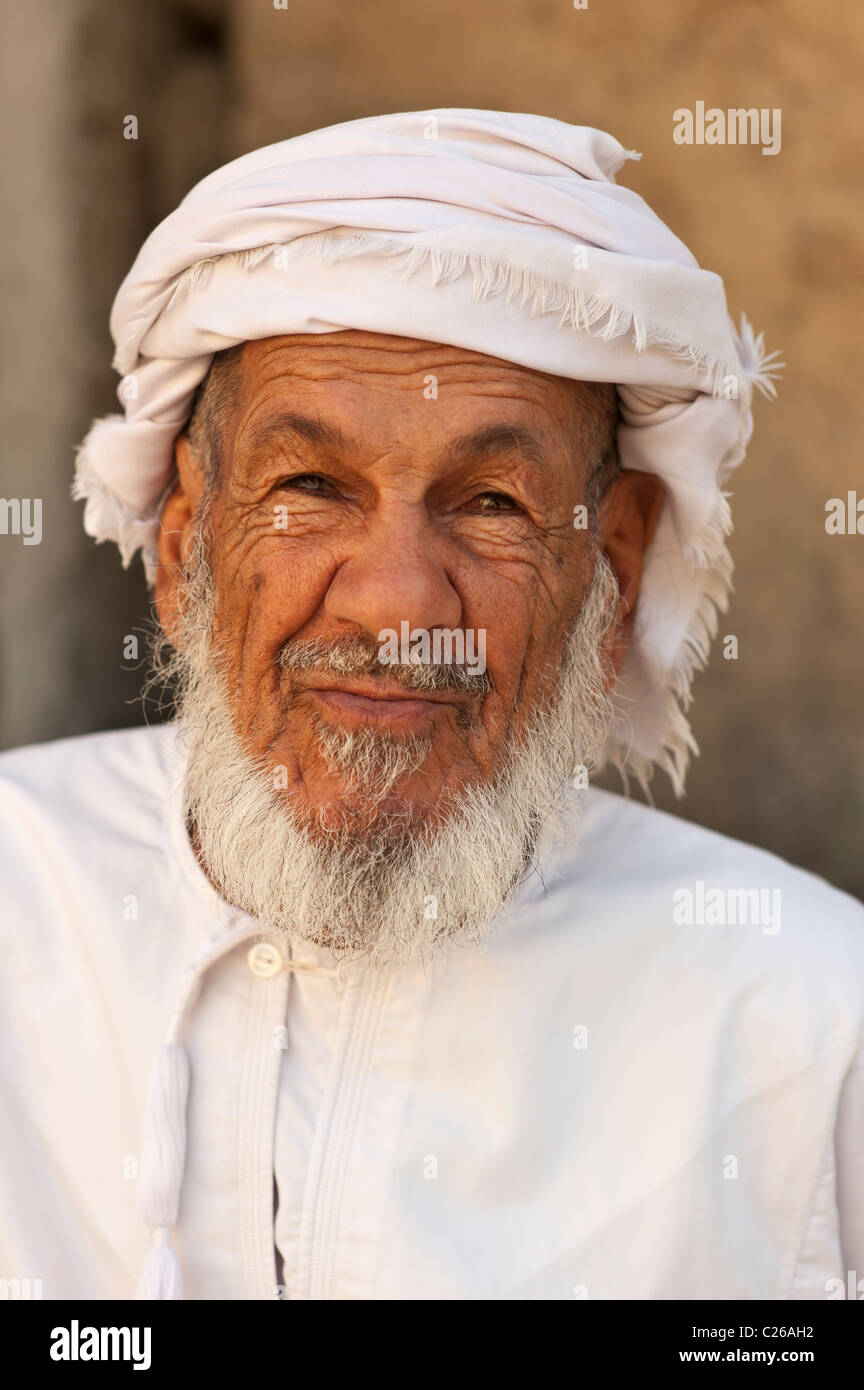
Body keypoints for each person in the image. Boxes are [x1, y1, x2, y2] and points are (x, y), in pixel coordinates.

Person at [1, 109, 860, 1302]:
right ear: (187, 540)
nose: (397, 601)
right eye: (309, 487)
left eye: (495, 503)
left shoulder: (812, 1025)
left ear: (610, 569)